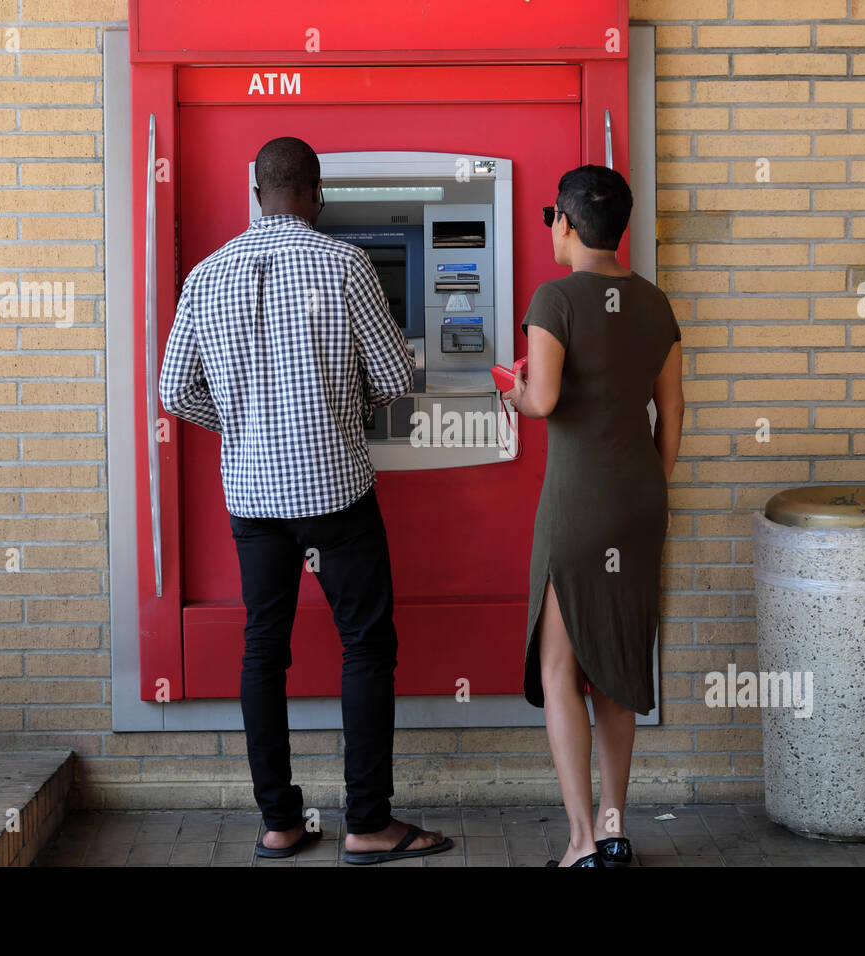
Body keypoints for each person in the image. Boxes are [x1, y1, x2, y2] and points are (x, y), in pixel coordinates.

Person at [159, 135, 452, 865]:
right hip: (333, 493)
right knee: (366, 646)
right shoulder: (347, 264)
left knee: (263, 651)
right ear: (316, 193)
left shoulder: (207, 274)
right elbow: (396, 379)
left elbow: (173, 391)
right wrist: (336, 410)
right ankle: (367, 824)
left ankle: (279, 824)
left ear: (255, 192)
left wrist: (246, 421)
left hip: (254, 498)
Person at [501, 165, 684, 868]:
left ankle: (581, 842)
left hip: (577, 501)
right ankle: (614, 828)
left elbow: (544, 400)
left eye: (554, 217)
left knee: (561, 666)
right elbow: (671, 415)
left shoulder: (555, 298)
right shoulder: (655, 303)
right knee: (616, 665)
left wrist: (514, 391)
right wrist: (645, 486)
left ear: (567, 225)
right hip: (639, 500)